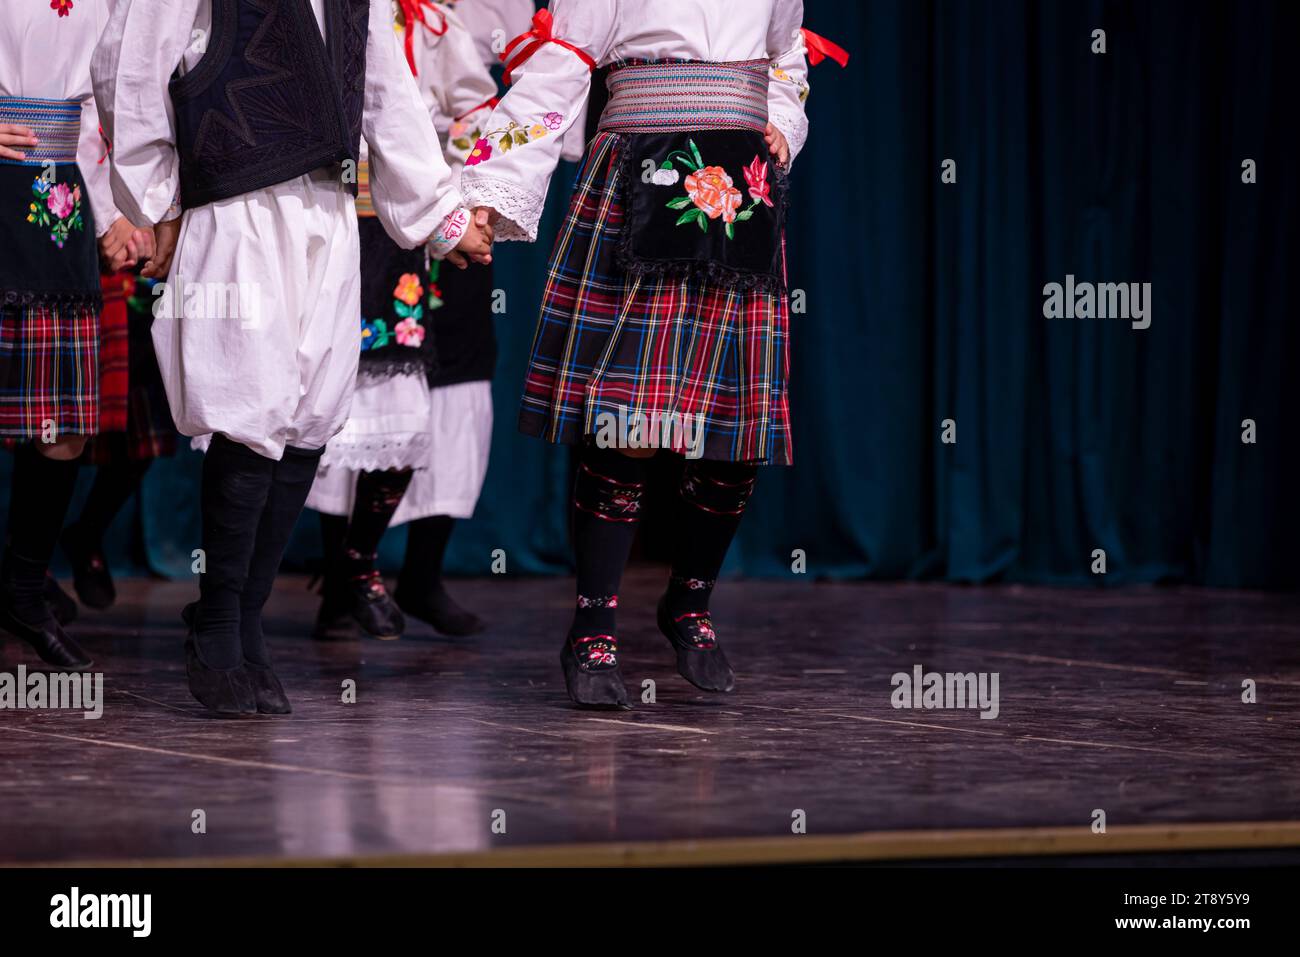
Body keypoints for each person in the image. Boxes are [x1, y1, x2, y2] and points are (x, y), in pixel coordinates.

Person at [92, 0, 493, 716]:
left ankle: (246, 620)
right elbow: (131, 64)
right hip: (236, 206)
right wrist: (157, 201)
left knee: (311, 411)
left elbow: (385, 92)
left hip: (330, 206)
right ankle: (216, 622)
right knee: (248, 402)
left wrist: (440, 217)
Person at [459, 1, 812, 707]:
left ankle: (689, 602)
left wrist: (784, 120)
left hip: (737, 189)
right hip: (641, 179)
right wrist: (488, 191)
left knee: (734, 428)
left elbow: (789, 58)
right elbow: (563, 63)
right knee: (628, 421)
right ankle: (591, 628)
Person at [307, 0, 501, 641]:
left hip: (407, 233)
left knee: (400, 397)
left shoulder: (434, 28)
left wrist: (457, 184)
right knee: (331, 401)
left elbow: (475, 111)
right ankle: (334, 576)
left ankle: (369, 567)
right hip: (330, 221)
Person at [0, 0, 152, 670]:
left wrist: (112, 214)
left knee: (61, 420)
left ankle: (23, 589)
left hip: (55, 198)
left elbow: (99, 101)